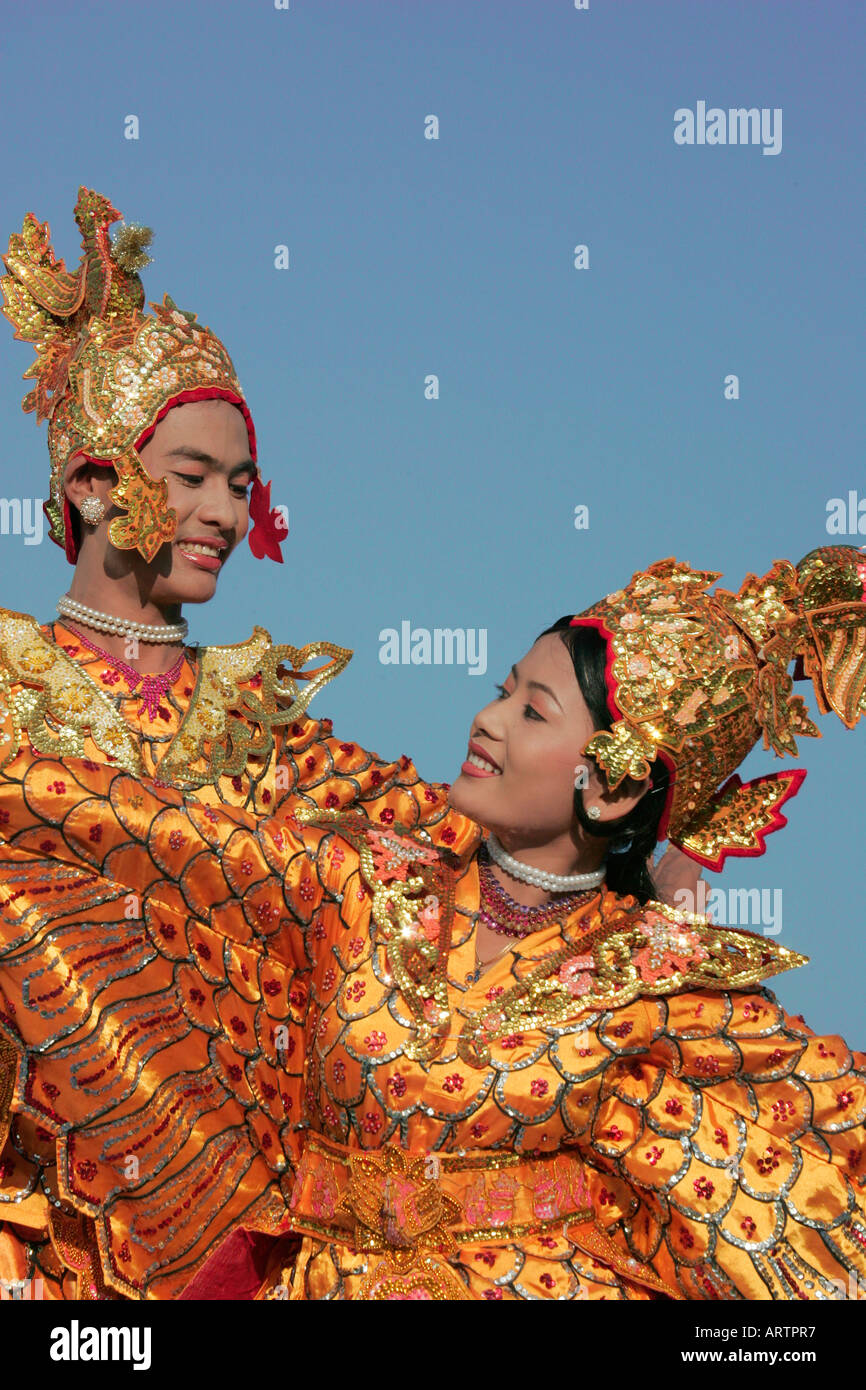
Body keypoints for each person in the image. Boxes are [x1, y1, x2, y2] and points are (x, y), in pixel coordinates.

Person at [2, 545, 863, 1300]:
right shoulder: (361, 884)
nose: (485, 721)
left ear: (612, 786)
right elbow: (136, 828)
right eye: (502, 692)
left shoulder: (656, 992)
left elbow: (820, 1151)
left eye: (532, 711)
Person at [0, 185, 469, 1299]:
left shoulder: (263, 725)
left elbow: (435, 837)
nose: (222, 509)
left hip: (250, 1239)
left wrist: (636, 832)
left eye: (240, 483)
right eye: (193, 477)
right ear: (93, 483)